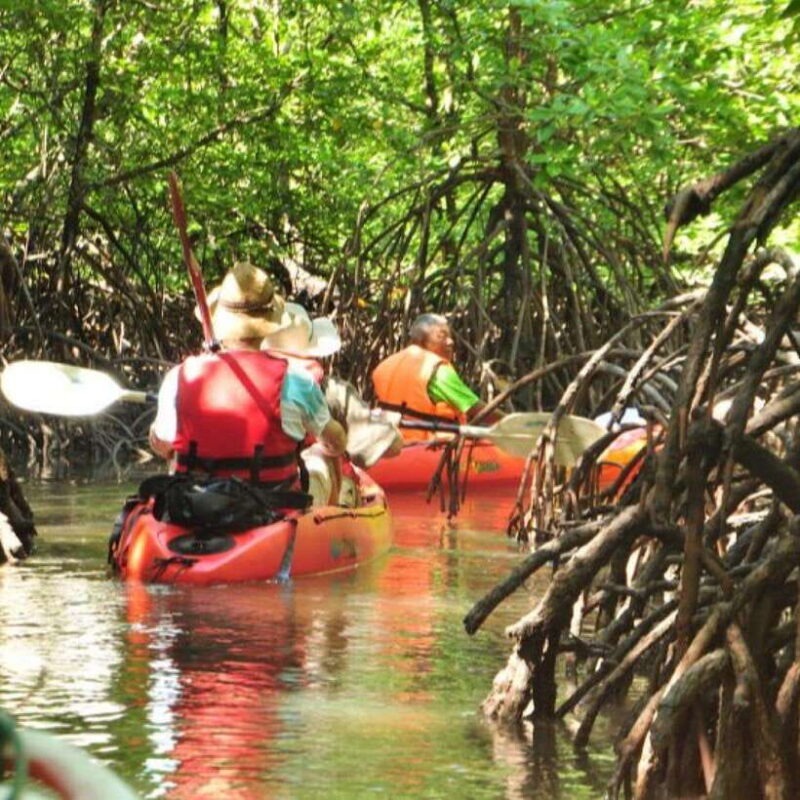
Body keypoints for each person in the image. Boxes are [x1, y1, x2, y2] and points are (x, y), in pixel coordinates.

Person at [148, 262, 346, 503]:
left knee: (173, 460)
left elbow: (162, 445)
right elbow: (336, 442)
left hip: (195, 508)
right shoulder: (296, 380)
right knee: (324, 456)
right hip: (273, 510)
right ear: (270, 324)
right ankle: (335, 528)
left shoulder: (180, 377)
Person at [259, 303, 402, 506]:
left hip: (248, 488)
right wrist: (388, 427)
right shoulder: (329, 388)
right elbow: (392, 447)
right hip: (305, 489)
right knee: (324, 451)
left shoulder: (242, 382)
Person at [371, 312, 502, 442]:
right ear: (421, 340)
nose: (450, 342)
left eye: (450, 336)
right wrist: (516, 424)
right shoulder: (438, 372)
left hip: (390, 444)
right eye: (441, 336)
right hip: (427, 448)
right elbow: (476, 410)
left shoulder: (384, 365)